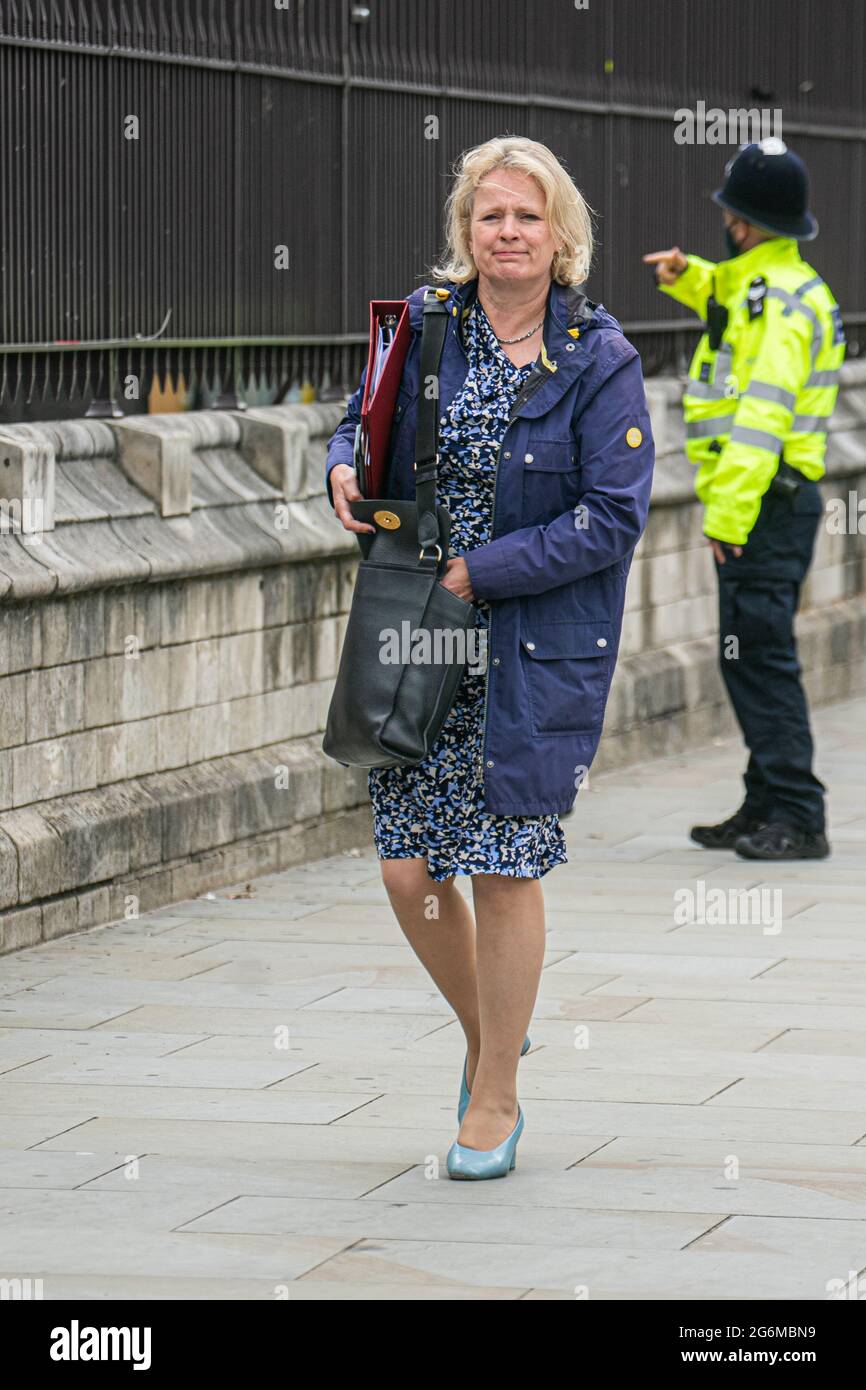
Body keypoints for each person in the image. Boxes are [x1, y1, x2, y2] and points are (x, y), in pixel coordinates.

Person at [326, 136, 654, 1179]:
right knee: (407, 865)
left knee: (505, 868)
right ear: (464, 230)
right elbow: (356, 423)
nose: (504, 233)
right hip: (413, 626)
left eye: (525, 216)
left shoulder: (598, 356)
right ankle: (488, 1039)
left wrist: (483, 572)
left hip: (525, 643)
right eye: (487, 216)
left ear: (559, 235)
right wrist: (341, 468)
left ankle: (496, 1091)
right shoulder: (426, 325)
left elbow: (611, 517)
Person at [643, 139, 845, 862]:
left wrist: (728, 515)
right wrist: (687, 278)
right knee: (750, 656)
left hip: (763, 503)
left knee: (760, 658)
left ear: (742, 219)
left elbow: (761, 418)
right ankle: (766, 802)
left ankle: (799, 814)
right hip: (775, 503)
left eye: (729, 211)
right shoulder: (776, 285)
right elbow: (728, 293)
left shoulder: (776, 307)